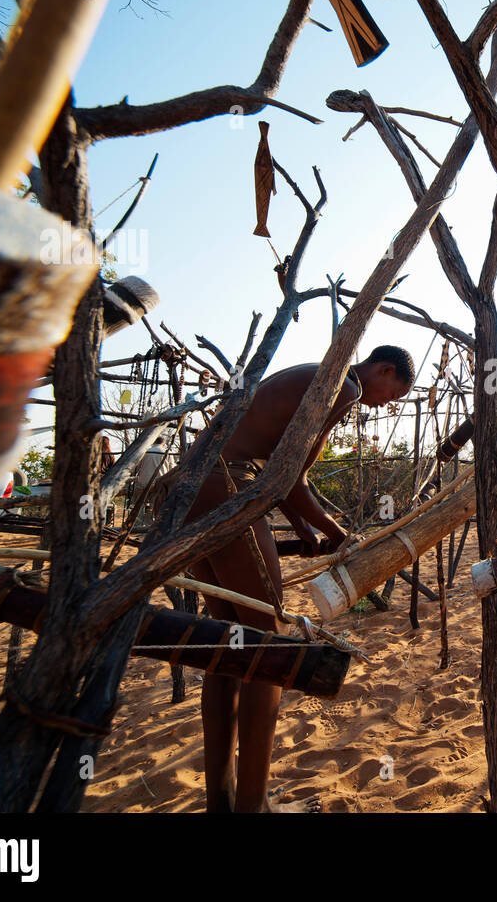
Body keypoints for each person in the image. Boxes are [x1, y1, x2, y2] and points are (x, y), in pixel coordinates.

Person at [184, 344, 414, 811]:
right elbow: (284, 476)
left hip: (191, 488)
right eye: (394, 393)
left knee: (229, 644)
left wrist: (308, 526)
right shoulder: (343, 388)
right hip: (226, 487)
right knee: (267, 646)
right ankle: (253, 805)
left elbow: (284, 470)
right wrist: (340, 534)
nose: (386, 403)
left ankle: (222, 800)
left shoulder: (319, 378)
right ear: (384, 369)